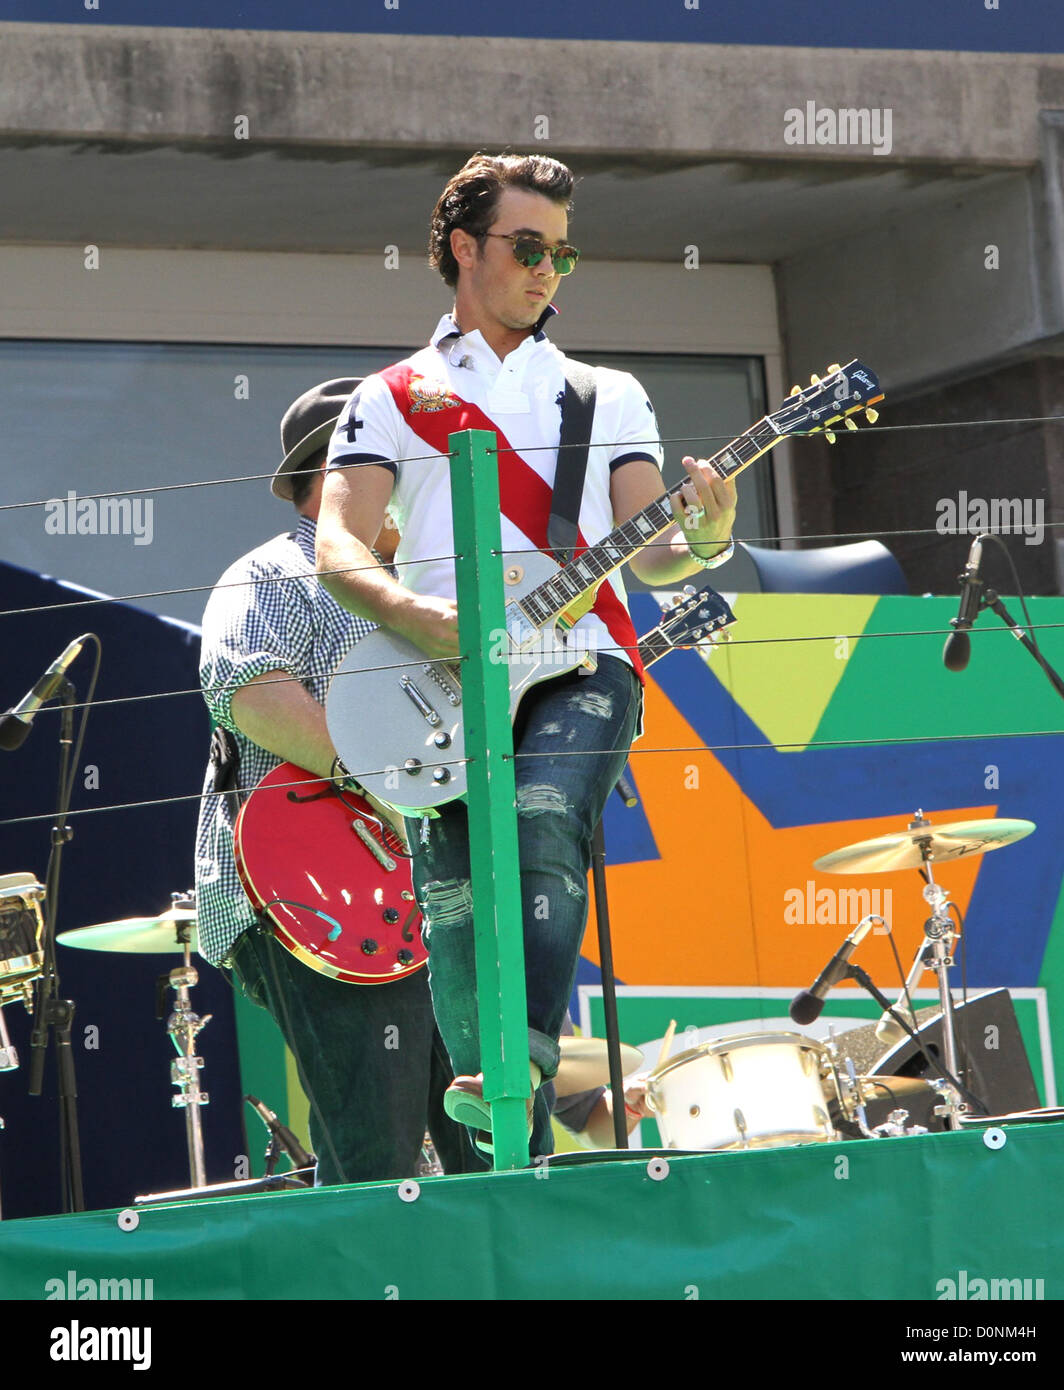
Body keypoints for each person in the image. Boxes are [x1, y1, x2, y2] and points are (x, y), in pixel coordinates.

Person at [315, 152, 737, 1158]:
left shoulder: (606, 394)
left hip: (586, 654)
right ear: (465, 248)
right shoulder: (389, 396)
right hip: (445, 677)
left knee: (543, 814)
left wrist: (711, 535)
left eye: (564, 252)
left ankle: (529, 1053)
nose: (549, 269)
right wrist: (413, 616)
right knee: (455, 889)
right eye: (529, 246)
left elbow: (661, 545)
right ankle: (496, 1110)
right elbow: (337, 544)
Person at [194, 379, 483, 1184]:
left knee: (497, 1146)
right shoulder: (270, 572)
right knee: (375, 1154)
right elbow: (248, 689)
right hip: (319, 892)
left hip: (431, 898)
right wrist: (384, 788)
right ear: (335, 476)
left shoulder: (430, 587)